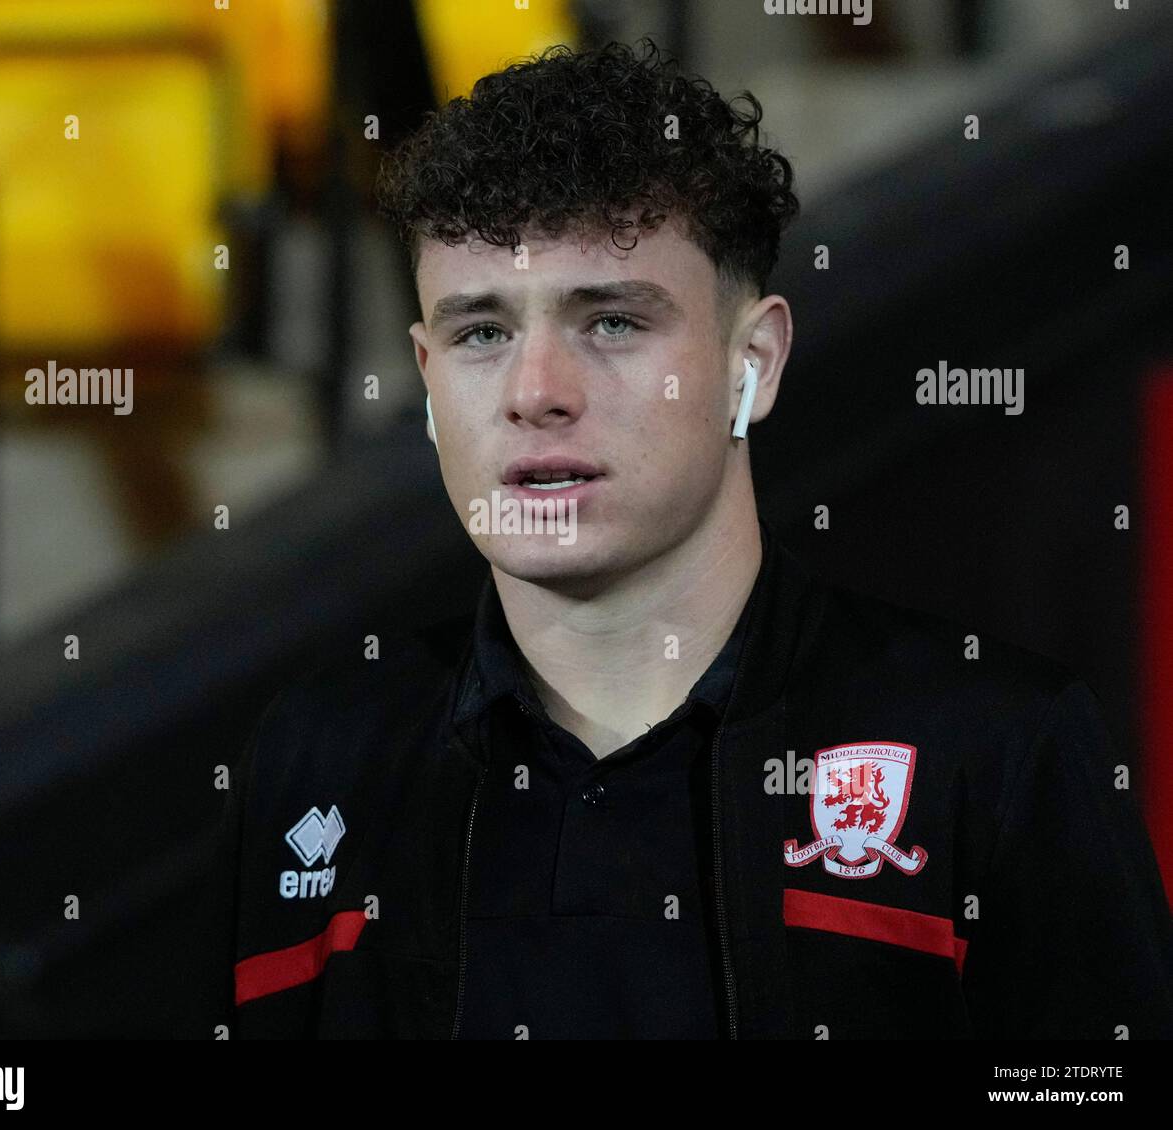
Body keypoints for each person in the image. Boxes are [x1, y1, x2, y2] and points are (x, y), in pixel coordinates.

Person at [221, 38, 1173, 1039]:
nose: (536, 392)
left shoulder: (992, 749)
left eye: (614, 323)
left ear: (749, 362)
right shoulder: (319, 755)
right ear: (425, 377)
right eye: (481, 332)